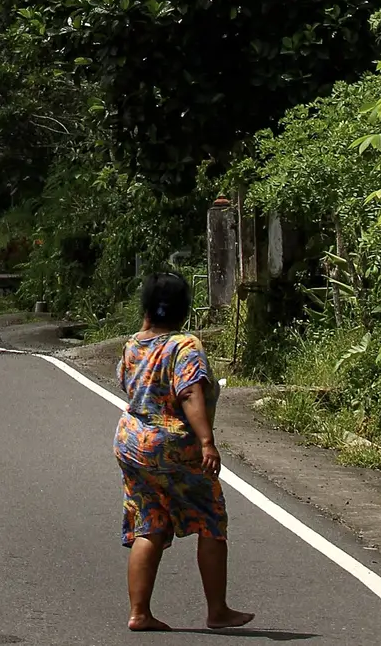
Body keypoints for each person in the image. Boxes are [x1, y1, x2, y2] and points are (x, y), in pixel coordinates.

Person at [114, 271, 252, 633]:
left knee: (149, 522)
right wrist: (207, 441)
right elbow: (189, 392)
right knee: (210, 519)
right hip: (175, 445)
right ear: (183, 309)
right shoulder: (184, 346)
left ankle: (139, 613)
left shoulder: (133, 344)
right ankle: (217, 610)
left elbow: (126, 383)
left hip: (132, 442)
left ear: (146, 309)